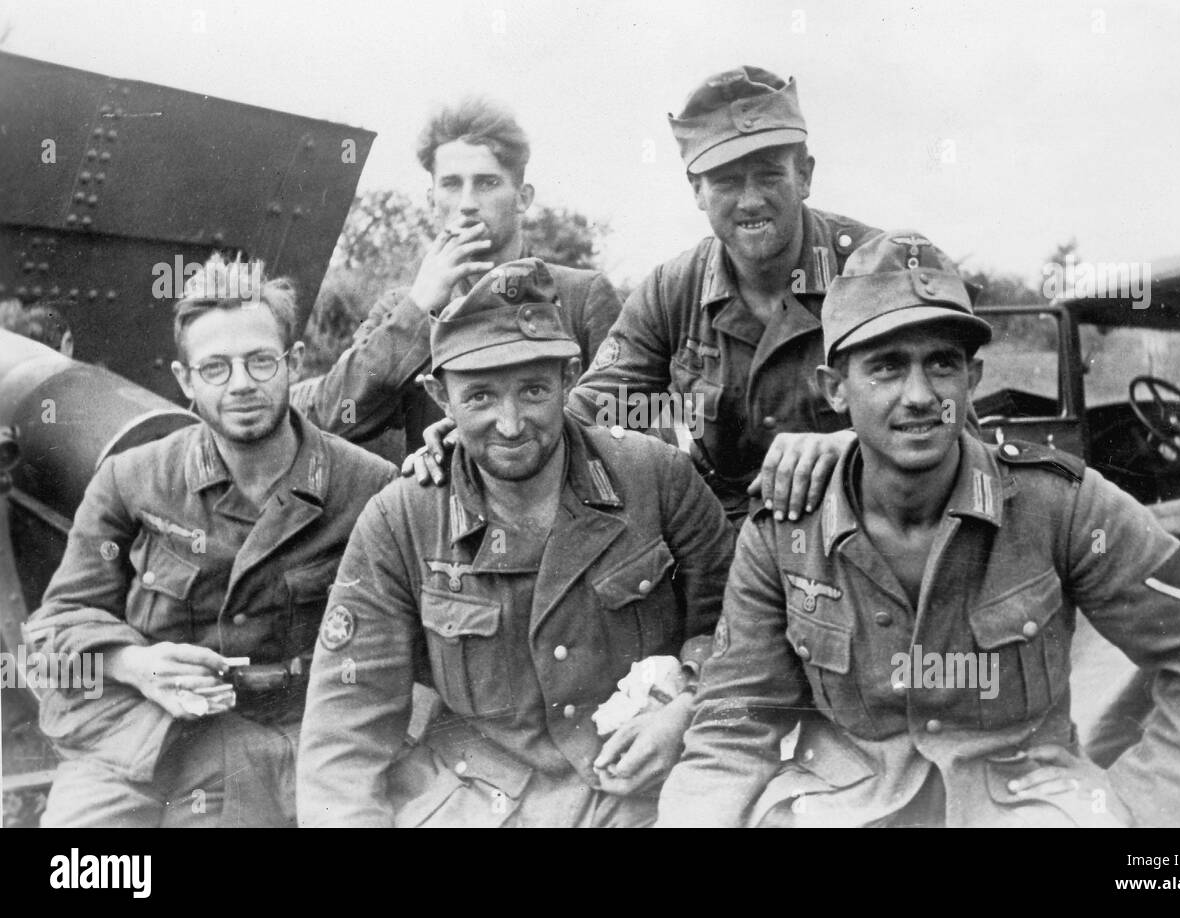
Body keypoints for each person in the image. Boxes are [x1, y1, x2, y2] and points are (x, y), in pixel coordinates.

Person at [657, 231, 1180, 827]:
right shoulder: (784, 531)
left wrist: (1132, 807)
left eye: (943, 365)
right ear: (834, 390)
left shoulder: (1058, 504)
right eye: (887, 368)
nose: (921, 395)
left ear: (972, 381)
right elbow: (733, 727)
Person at [297, 258, 734, 827]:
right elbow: (345, 731)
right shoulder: (402, 518)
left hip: (642, 792)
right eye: (479, 397)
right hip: (475, 799)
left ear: (569, 377)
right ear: (439, 395)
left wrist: (687, 708)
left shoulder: (654, 478)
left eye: (532, 390)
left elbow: (738, 629)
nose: (510, 423)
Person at [409, 67, 886, 525]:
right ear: (696, 190)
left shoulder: (874, 270)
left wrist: (851, 444)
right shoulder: (673, 290)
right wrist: (479, 432)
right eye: (725, 181)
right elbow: (594, 409)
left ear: (804, 174)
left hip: (860, 524)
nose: (750, 200)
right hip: (723, 541)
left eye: (769, 175)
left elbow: (956, 416)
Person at [25, 255, 396, 827]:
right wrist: (134, 663)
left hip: (302, 743)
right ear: (185, 381)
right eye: (216, 368)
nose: (242, 384)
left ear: (293, 364)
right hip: (151, 737)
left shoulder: (368, 486)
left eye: (260, 362)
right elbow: (55, 627)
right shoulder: (132, 479)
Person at [303, 97, 622, 455]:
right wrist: (418, 308)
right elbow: (332, 420)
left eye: (487, 183)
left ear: (522, 197)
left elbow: (627, 426)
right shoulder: (402, 309)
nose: (467, 203)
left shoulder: (581, 298)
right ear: (431, 198)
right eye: (451, 184)